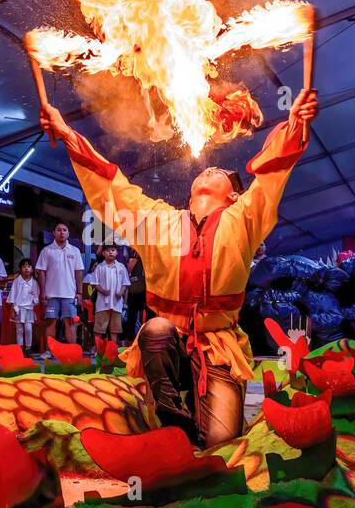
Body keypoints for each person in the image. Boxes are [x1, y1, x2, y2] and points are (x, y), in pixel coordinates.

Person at [40, 87, 319, 448]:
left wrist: (297, 122)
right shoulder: (159, 220)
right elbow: (111, 187)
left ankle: (200, 424)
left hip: (217, 347)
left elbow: (272, 177)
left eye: (218, 171)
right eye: (205, 170)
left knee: (220, 441)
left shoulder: (244, 217)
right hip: (167, 344)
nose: (208, 170)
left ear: (233, 194)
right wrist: (67, 134)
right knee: (154, 327)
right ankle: (175, 426)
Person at [36, 223, 84, 346]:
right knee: (51, 322)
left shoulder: (75, 251)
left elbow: (78, 272)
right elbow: (41, 272)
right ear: (54, 233)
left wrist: (79, 292)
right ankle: (48, 351)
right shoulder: (47, 250)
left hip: (69, 294)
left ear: (68, 233)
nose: (61, 232)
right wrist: (43, 293)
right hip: (51, 294)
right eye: (58, 230)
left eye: (64, 230)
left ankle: (72, 351)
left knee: (70, 322)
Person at [92, 244, 130, 345]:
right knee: (99, 330)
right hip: (102, 304)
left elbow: (125, 283)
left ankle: (112, 352)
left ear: (116, 252)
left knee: (115, 330)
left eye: (113, 250)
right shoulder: (100, 267)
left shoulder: (121, 267)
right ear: (103, 253)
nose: (111, 252)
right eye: (108, 251)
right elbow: (95, 283)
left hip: (116, 304)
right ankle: (98, 352)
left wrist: (120, 293)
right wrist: (103, 291)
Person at [7, 259, 40, 351]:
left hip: (29, 308)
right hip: (19, 308)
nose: (26, 268)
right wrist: (13, 308)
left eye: (28, 266)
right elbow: (13, 295)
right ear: (20, 269)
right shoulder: (17, 281)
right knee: (19, 329)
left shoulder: (34, 283)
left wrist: (34, 301)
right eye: (24, 266)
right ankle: (20, 348)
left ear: (32, 269)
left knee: (28, 328)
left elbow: (36, 297)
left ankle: (28, 348)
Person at [124, 249, 147, 340]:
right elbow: (129, 270)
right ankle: (129, 342)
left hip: (145, 292)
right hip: (133, 292)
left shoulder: (149, 258)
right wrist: (137, 256)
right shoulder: (133, 255)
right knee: (131, 319)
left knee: (144, 320)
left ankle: (143, 340)